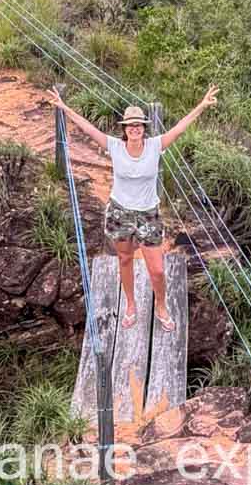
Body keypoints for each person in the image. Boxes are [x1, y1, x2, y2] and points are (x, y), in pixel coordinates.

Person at [48, 84, 219, 332]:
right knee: (125, 259)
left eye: (138, 125)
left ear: (144, 128)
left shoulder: (155, 146)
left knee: (157, 270)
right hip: (120, 212)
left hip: (148, 214)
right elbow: (88, 128)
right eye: (130, 125)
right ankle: (130, 304)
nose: (135, 128)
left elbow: (180, 127)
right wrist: (64, 107)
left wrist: (202, 105)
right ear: (125, 129)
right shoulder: (115, 146)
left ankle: (161, 306)